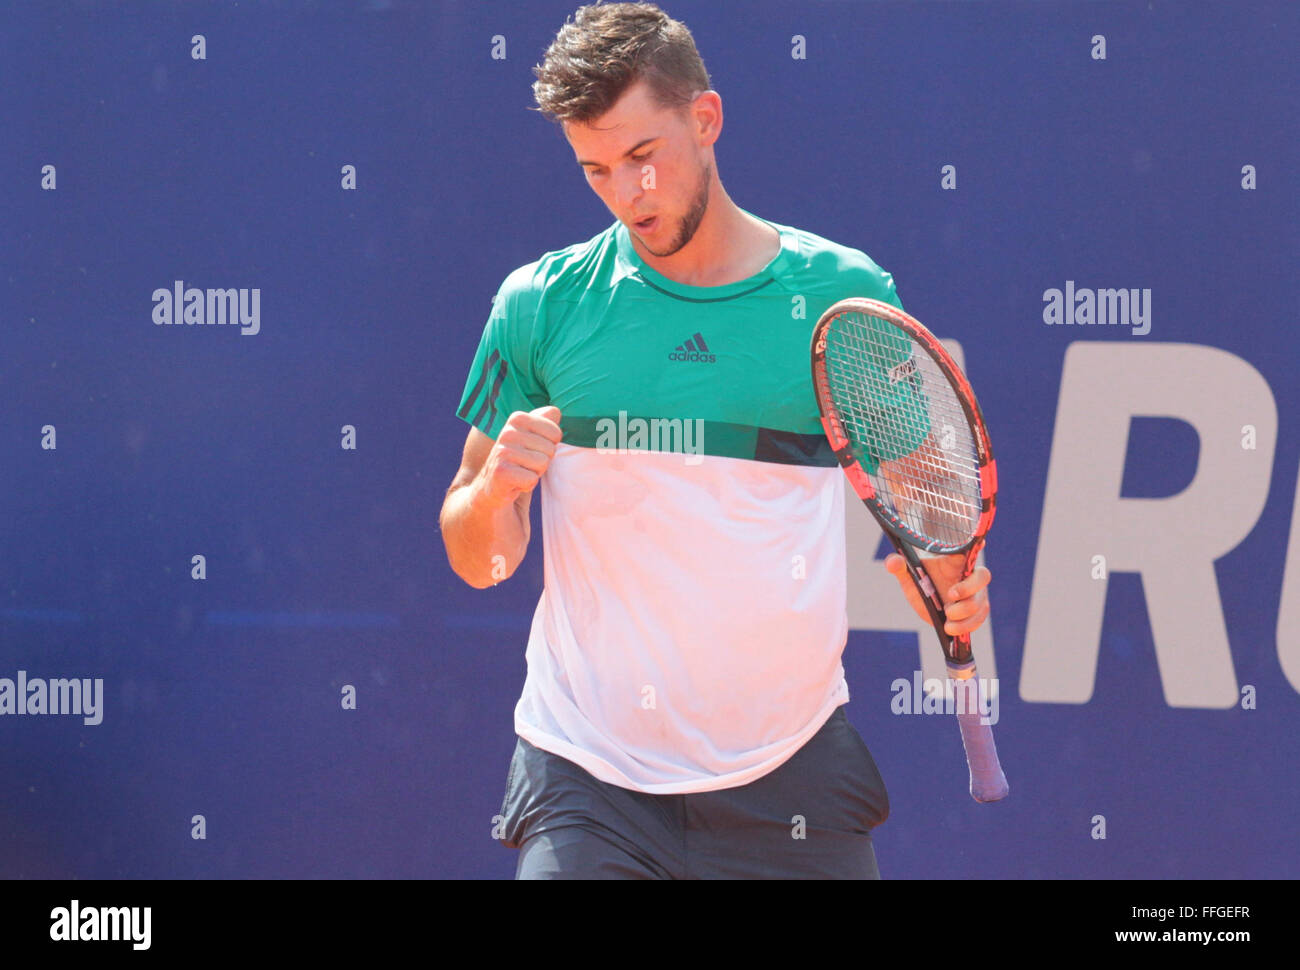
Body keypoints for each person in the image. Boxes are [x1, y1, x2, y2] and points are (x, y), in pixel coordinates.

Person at [439, 1, 991, 879]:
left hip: (791, 777)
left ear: (706, 119)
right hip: (588, 780)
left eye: (642, 158)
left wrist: (941, 578)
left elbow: (925, 509)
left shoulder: (843, 296)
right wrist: (497, 497)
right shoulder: (539, 307)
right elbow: (479, 557)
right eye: (596, 170)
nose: (626, 194)